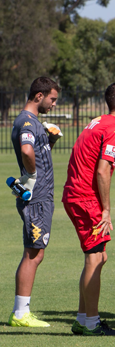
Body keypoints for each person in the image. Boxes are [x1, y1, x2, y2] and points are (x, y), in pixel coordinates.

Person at [63, 82, 115, 335]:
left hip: (77, 194)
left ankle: (82, 319)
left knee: (99, 256)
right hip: (85, 198)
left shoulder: (99, 121)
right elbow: (103, 170)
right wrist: (106, 210)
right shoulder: (114, 127)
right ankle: (92, 324)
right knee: (95, 258)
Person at [8, 77, 61, 328]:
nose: (53, 104)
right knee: (33, 253)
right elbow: (27, 151)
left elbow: (36, 151)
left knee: (36, 252)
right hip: (36, 197)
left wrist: (49, 142)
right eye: (52, 99)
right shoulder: (27, 121)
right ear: (39, 96)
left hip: (41, 196)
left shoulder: (33, 122)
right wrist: (30, 177)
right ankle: (20, 314)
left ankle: (22, 311)